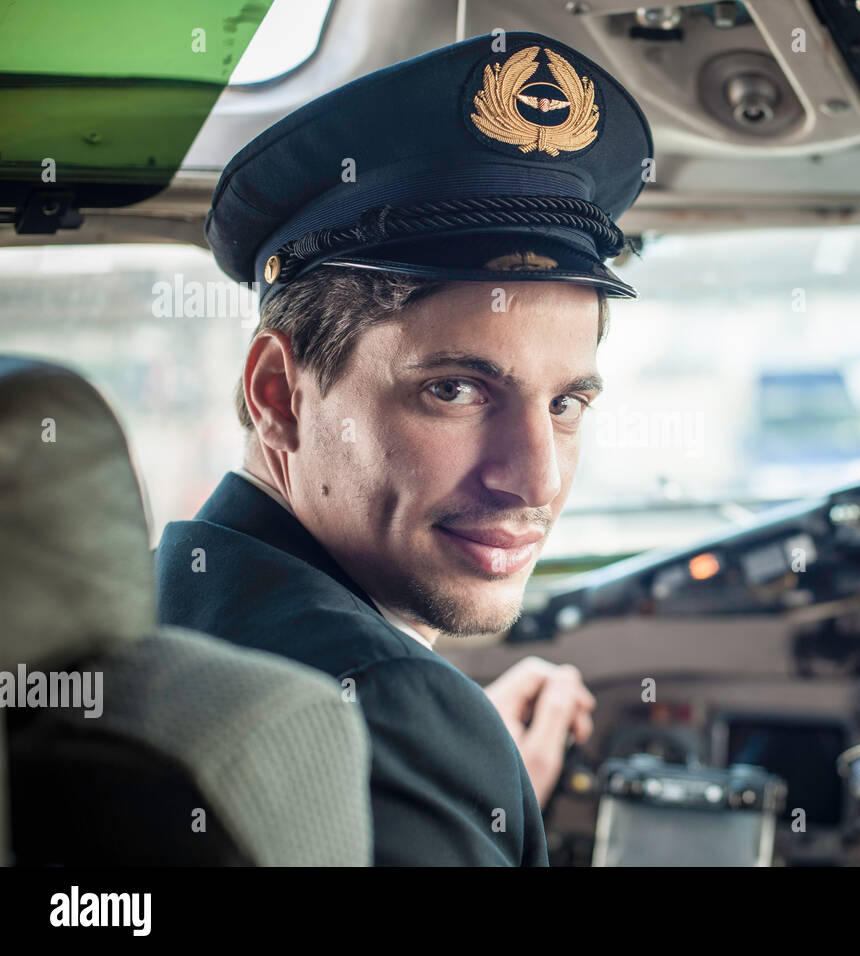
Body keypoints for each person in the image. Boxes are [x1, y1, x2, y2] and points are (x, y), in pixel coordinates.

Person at [154, 30, 653, 865]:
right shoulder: (386, 705)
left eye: (566, 402)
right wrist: (439, 746)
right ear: (279, 395)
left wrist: (463, 793)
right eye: (454, 391)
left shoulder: (173, 597)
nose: (536, 478)